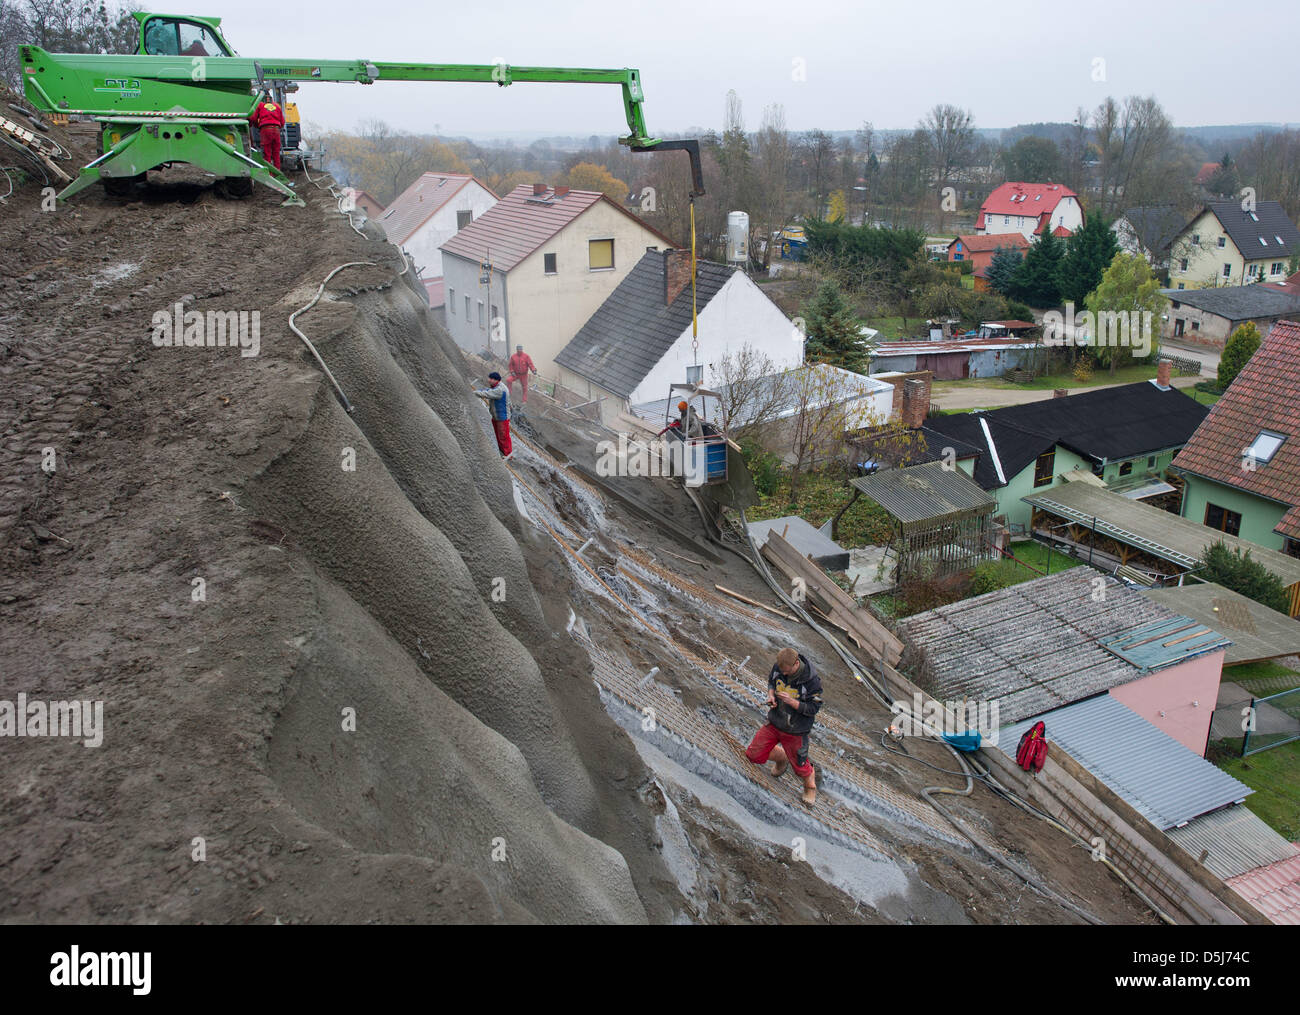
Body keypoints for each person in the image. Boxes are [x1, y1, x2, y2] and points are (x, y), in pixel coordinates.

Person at [745, 647, 823, 806]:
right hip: (776, 721)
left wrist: (792, 702)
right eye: (782, 671)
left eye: (787, 672)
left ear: (796, 664)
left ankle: (810, 786)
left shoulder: (812, 682)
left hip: (796, 729)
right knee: (753, 755)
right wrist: (771, 695)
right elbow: (771, 683)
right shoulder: (778, 667)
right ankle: (783, 757)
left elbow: (814, 708)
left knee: (801, 768)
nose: (784, 675)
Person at [474, 371, 512, 459]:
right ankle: (502, 452)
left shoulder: (500, 390)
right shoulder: (498, 386)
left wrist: (473, 393)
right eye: (489, 378)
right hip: (497, 416)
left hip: (502, 417)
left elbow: (487, 394)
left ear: (496, 380)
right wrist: (478, 391)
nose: (489, 380)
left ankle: (508, 455)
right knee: (499, 435)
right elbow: (488, 390)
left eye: (491, 379)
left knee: (503, 436)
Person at [250, 93, 285, 171]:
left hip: (266, 130)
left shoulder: (260, 105)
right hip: (276, 130)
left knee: (267, 153)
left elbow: (253, 118)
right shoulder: (277, 107)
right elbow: (282, 122)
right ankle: (278, 173)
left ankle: (269, 173)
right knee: (276, 153)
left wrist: (257, 125)